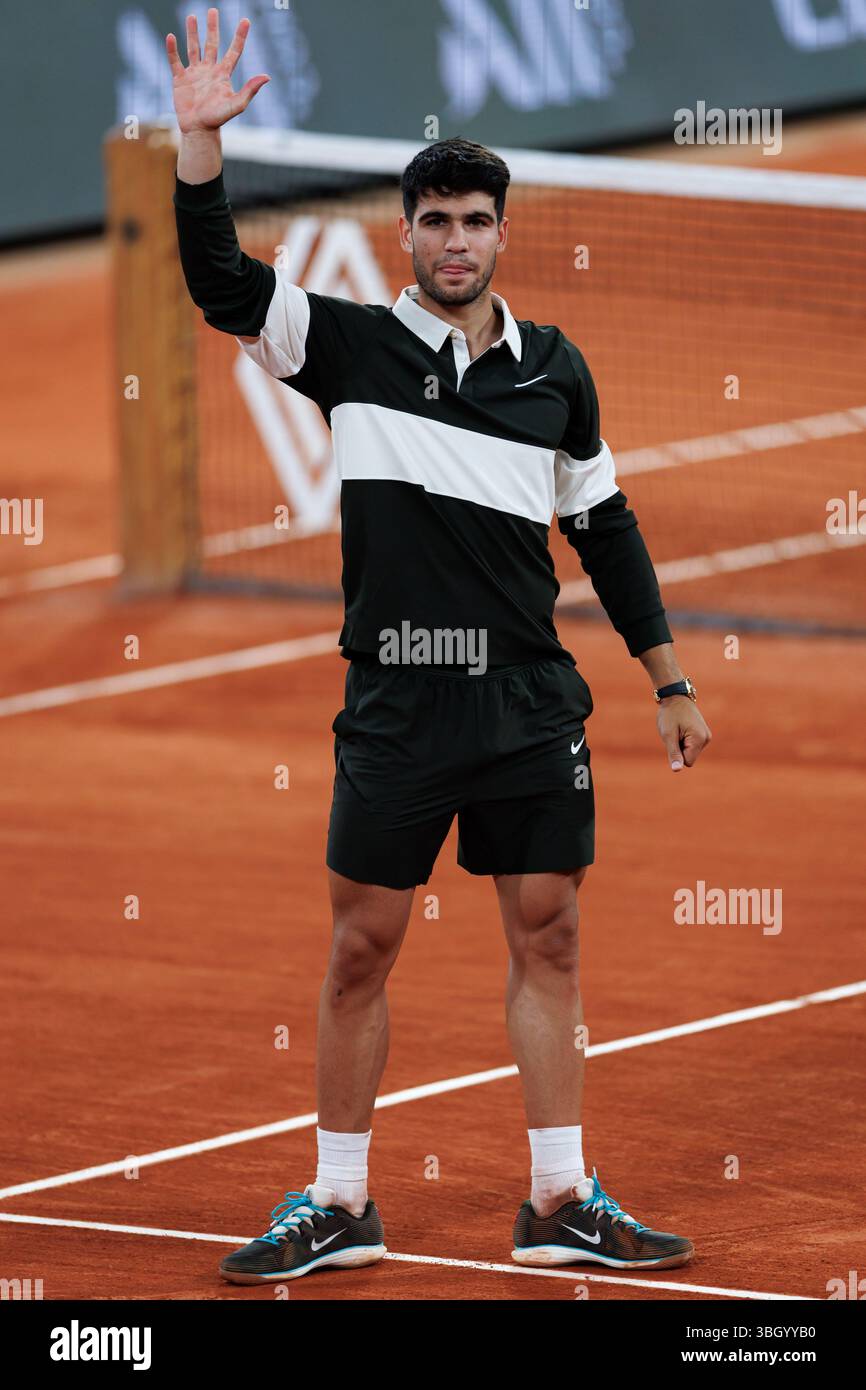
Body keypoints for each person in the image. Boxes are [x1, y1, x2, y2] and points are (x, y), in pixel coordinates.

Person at [167, 9, 712, 1285]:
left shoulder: (554, 371)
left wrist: (667, 674)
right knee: (361, 944)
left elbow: (604, 523)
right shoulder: (346, 345)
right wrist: (198, 146)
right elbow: (217, 282)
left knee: (549, 936)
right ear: (404, 233)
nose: (455, 240)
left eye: (475, 221)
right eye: (435, 221)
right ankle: (343, 1200)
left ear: (500, 234)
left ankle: (559, 1193)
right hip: (399, 700)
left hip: (528, 699)